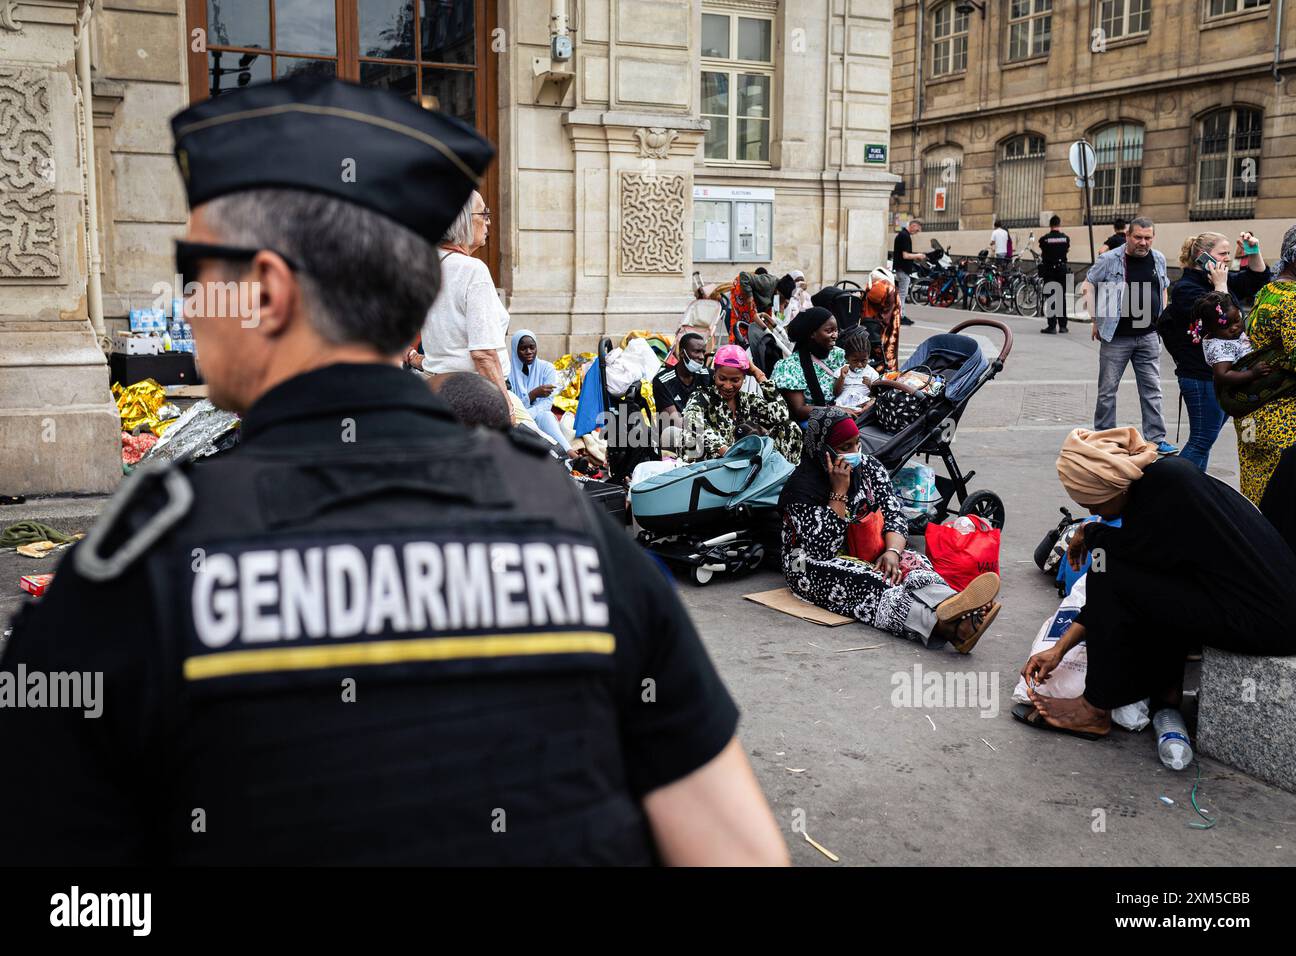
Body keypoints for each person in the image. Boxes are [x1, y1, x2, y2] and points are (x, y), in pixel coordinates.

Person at [0, 77, 788, 867]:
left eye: (197, 268)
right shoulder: (577, 535)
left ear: (266, 291)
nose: (192, 301)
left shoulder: (141, 571)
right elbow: (740, 852)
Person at [1017, 428, 1296, 738]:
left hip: (1268, 624)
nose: (1092, 512)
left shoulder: (1164, 497)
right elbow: (1140, 581)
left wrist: (1091, 533)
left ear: (1116, 488)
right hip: (1274, 612)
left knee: (1106, 568)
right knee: (1127, 572)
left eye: (1094, 504)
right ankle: (1165, 694)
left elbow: (1114, 582)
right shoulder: (1164, 478)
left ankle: (1094, 709)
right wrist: (1059, 649)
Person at [778, 409, 1001, 652]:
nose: (855, 453)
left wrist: (893, 552)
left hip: (866, 546)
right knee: (872, 581)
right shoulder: (800, 490)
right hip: (811, 565)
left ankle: (952, 603)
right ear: (823, 448)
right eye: (845, 446)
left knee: (913, 562)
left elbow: (894, 514)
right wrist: (839, 491)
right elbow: (823, 548)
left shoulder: (869, 467)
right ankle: (950, 627)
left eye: (857, 443)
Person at [1157, 231, 1270, 472]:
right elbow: (1224, 321)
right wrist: (1220, 285)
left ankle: (1193, 493)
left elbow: (1258, 279)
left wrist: (1254, 251)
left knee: (1205, 442)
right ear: (1203, 256)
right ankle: (1172, 489)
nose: (1227, 259)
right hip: (1199, 376)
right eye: (1223, 253)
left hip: (1222, 376)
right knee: (1200, 441)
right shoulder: (1186, 289)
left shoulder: (1219, 279)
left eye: (1229, 253)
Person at [1080, 217, 1177, 455]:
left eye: (1148, 238)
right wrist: (1095, 319)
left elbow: (1163, 287)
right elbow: (1088, 285)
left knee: (1152, 389)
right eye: (1138, 237)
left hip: (1148, 335)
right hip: (1117, 337)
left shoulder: (1158, 258)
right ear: (1127, 236)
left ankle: (1156, 439)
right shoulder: (1109, 259)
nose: (1143, 242)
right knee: (1107, 391)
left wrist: (1161, 318)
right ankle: (1104, 438)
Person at [407, 189, 510, 402]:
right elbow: (483, 354)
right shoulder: (472, 270)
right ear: (463, 221)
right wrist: (506, 407)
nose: (488, 222)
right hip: (477, 393)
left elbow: (444, 345)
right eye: (483, 214)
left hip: (437, 389)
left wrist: (414, 358)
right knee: (541, 437)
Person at [1237, 221, 1296, 504]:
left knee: (1255, 490)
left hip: (1254, 408)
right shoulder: (1295, 299)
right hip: (1284, 417)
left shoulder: (1269, 291)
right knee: (1282, 497)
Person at [681, 344, 802, 464]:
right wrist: (725, 450)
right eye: (722, 379)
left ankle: (784, 475)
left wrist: (758, 374)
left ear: (744, 379)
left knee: (790, 427)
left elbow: (781, 417)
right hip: (714, 464)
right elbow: (691, 422)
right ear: (714, 375)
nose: (728, 386)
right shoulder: (702, 396)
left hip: (747, 463)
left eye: (735, 380)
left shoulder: (749, 400)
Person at [772, 307, 846, 422]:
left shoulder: (839, 354)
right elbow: (800, 410)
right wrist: (836, 411)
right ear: (812, 333)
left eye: (836, 330)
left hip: (846, 409)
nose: (835, 335)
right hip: (818, 422)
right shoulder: (790, 366)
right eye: (829, 331)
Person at [507, 329, 569, 448]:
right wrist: (533, 395)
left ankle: (569, 452)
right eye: (523, 348)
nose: (529, 352)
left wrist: (528, 414)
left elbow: (546, 403)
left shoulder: (547, 368)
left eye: (532, 347)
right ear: (515, 350)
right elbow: (513, 406)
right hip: (518, 420)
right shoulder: (507, 372)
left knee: (546, 416)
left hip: (539, 417)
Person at [652, 331, 710, 426]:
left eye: (703, 352)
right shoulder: (663, 380)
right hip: (675, 434)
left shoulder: (706, 375)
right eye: (697, 351)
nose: (702, 357)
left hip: (704, 431)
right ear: (683, 353)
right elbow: (676, 421)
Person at [1037, 214, 1071, 334]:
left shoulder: (1044, 239)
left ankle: (1052, 326)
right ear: (1059, 224)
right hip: (1062, 270)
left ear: (1050, 225)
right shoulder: (1065, 239)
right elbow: (1066, 250)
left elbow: (1043, 250)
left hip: (1049, 271)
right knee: (1061, 297)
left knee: (1051, 298)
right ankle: (1063, 326)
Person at [833, 325, 879, 410]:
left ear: (868, 357)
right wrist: (841, 378)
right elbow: (836, 393)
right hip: (843, 405)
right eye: (855, 361)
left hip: (863, 405)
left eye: (864, 361)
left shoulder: (872, 373)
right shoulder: (842, 371)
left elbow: (876, 394)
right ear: (847, 358)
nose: (860, 365)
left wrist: (870, 385)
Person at [892, 219, 925, 326]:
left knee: (902, 293)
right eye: (917, 229)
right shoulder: (905, 236)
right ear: (913, 225)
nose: (917, 232)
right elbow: (905, 255)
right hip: (903, 269)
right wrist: (918, 255)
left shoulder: (902, 235)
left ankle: (901, 315)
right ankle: (900, 316)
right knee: (902, 294)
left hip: (901, 268)